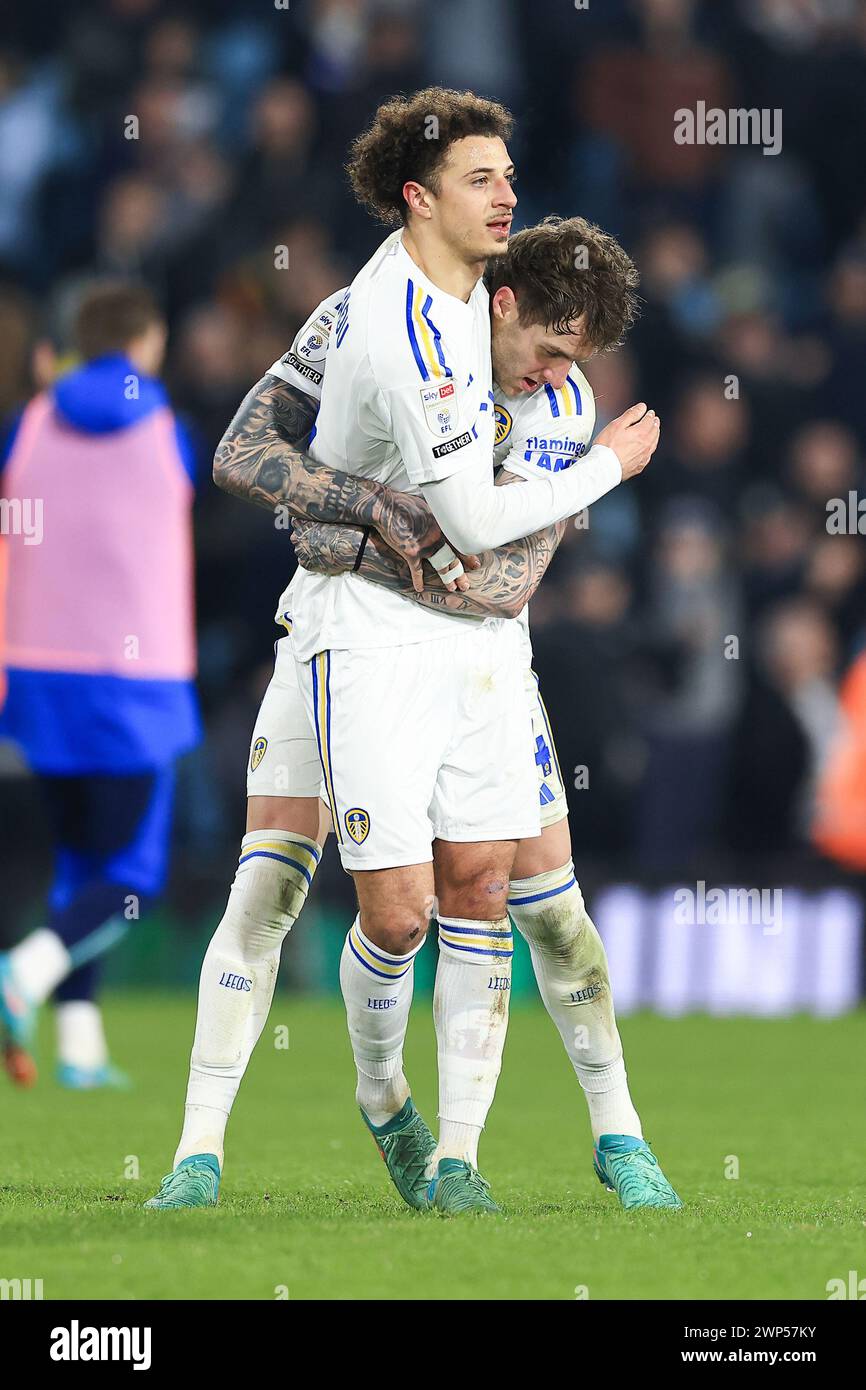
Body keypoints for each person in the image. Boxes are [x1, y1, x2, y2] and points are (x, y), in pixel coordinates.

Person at [146, 89, 662, 1216]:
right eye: (483, 177)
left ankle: (597, 1137)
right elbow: (243, 445)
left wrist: (357, 524)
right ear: (426, 202)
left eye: (509, 179)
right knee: (291, 882)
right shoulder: (363, 320)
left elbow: (497, 579)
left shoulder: (554, 396)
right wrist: (375, 512)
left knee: (536, 903)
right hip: (341, 636)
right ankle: (236, 1142)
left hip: (481, 659)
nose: (506, 192)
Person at [0, 282, 201, 1088]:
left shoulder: (29, 422)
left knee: (79, 863)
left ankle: (79, 1047)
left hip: (40, 676)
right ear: (146, 345)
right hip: (137, 681)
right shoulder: (165, 425)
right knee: (132, 877)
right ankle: (23, 970)